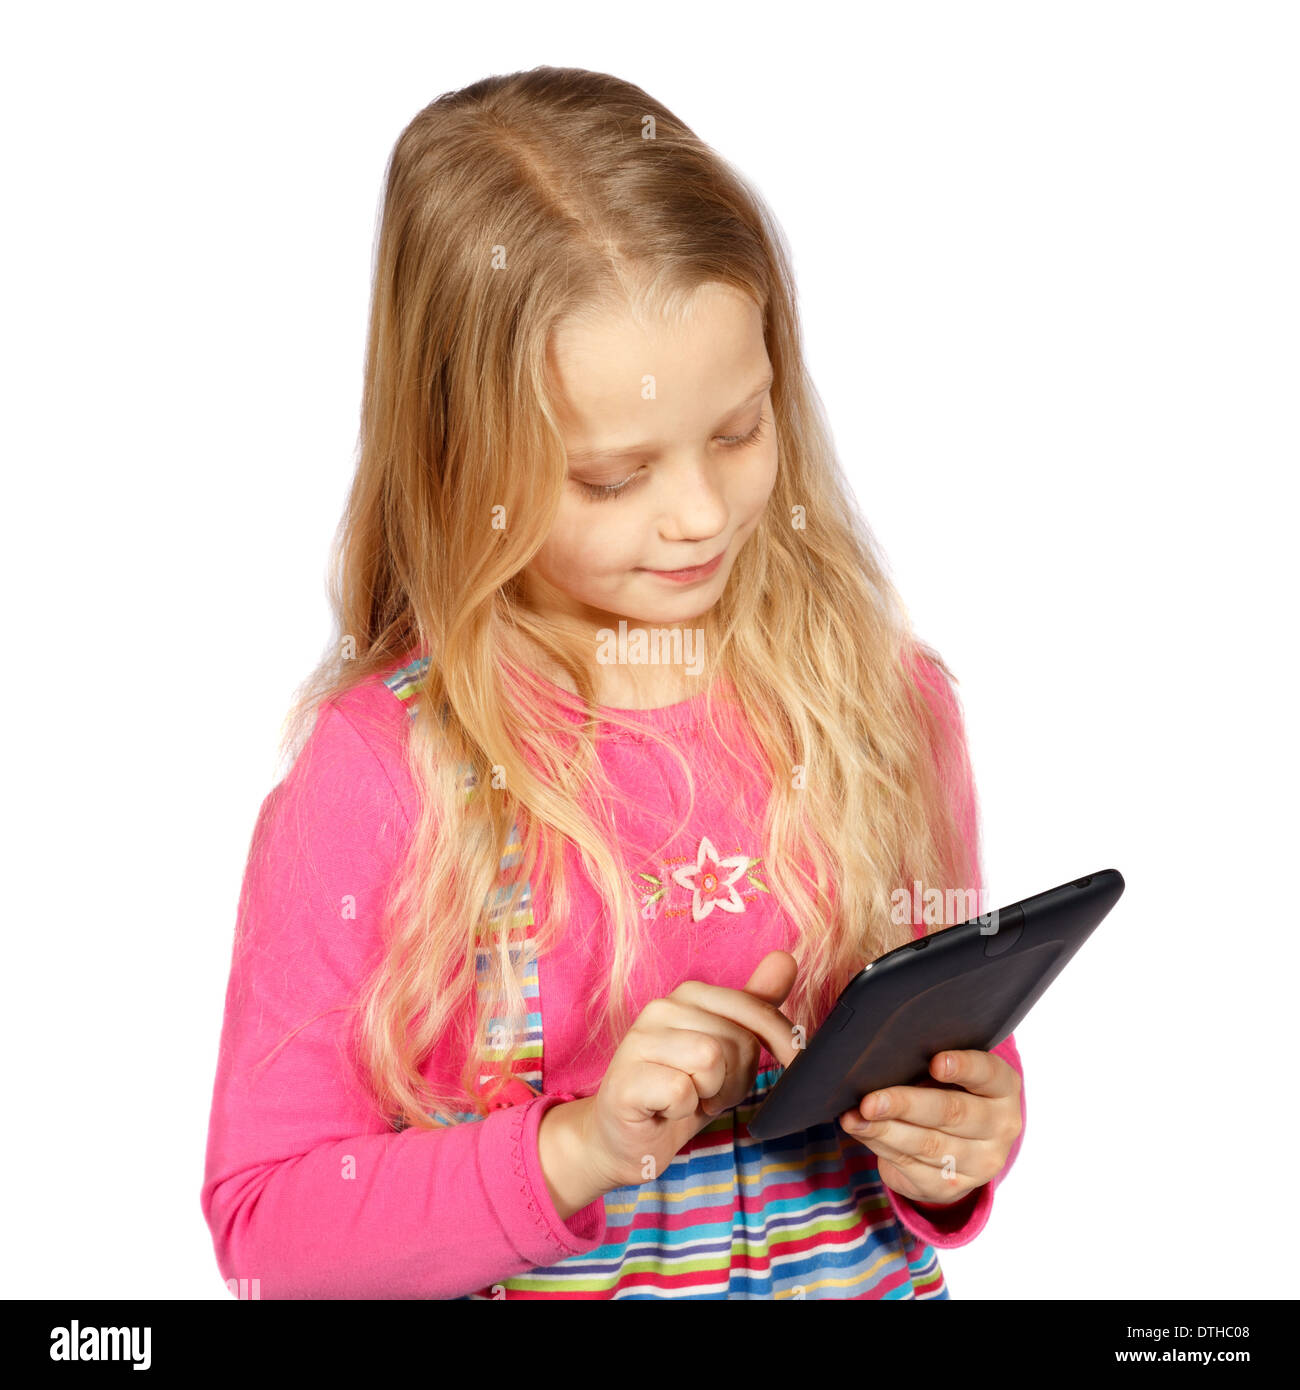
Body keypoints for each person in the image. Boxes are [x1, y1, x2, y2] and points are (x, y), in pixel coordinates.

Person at [200, 65, 1025, 1300]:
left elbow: (944, 1069)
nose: (696, 513)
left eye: (740, 432)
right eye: (609, 477)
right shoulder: (383, 774)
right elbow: (270, 1237)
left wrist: (954, 1150)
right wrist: (574, 1149)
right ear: (457, 452)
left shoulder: (882, 709)